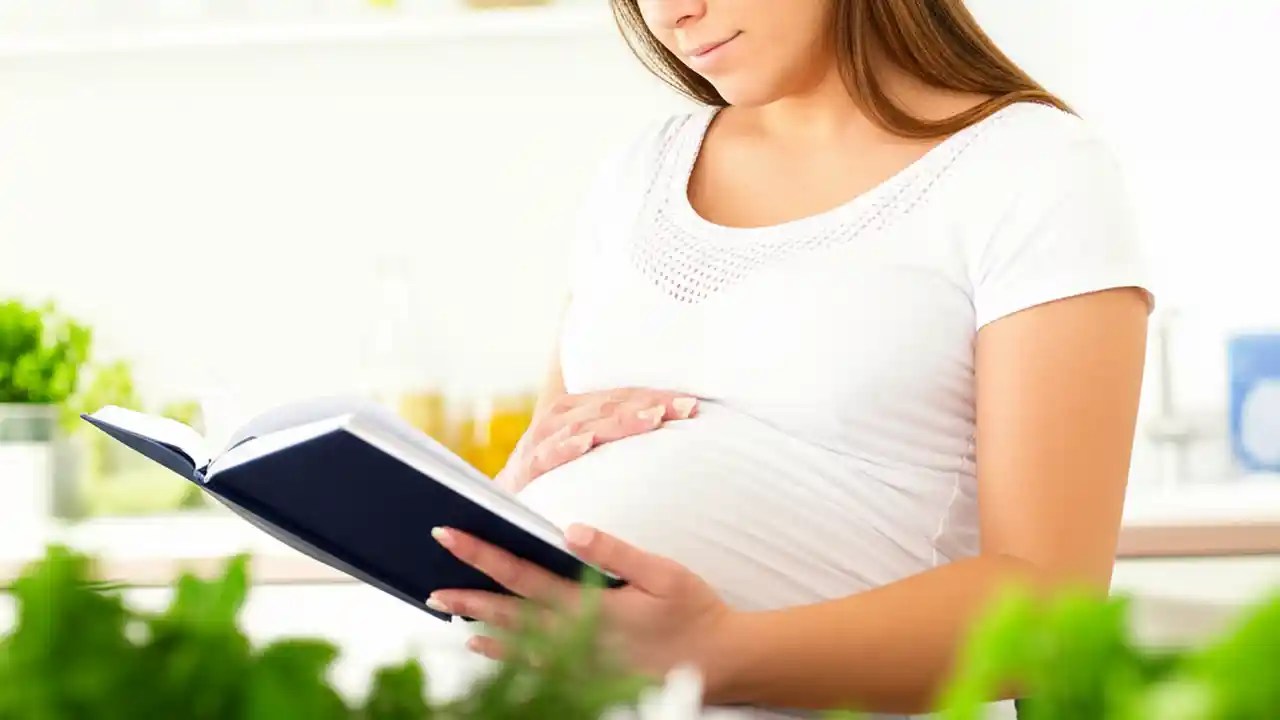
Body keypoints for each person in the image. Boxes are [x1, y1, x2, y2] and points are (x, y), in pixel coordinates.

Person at [426, 1, 1154, 717]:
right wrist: (510, 504)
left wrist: (718, 652)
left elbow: (1051, 609)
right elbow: (567, 462)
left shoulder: (1031, 169)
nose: (672, 13)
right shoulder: (636, 176)